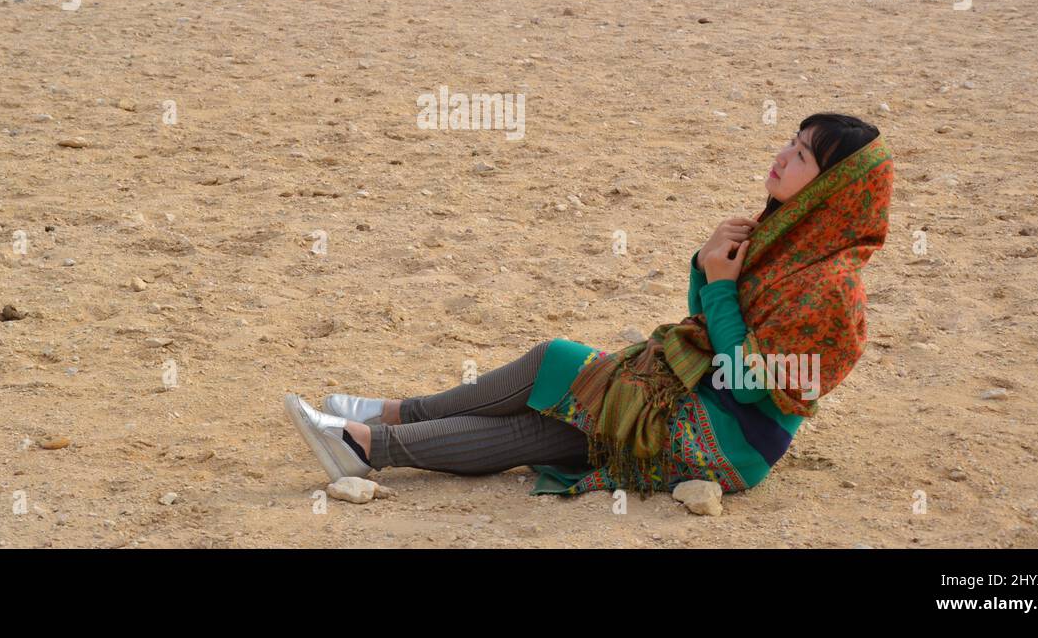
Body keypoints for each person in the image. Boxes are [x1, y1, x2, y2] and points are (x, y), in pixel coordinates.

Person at [284, 112, 893, 498]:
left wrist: (720, 283)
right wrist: (705, 266)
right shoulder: (778, 241)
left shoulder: (832, 289)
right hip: (695, 398)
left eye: (804, 155)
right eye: (791, 140)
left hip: (726, 440)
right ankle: (373, 433)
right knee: (549, 403)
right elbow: (702, 327)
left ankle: (375, 432)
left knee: (552, 390)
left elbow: (753, 380)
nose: (783, 155)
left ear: (832, 193)